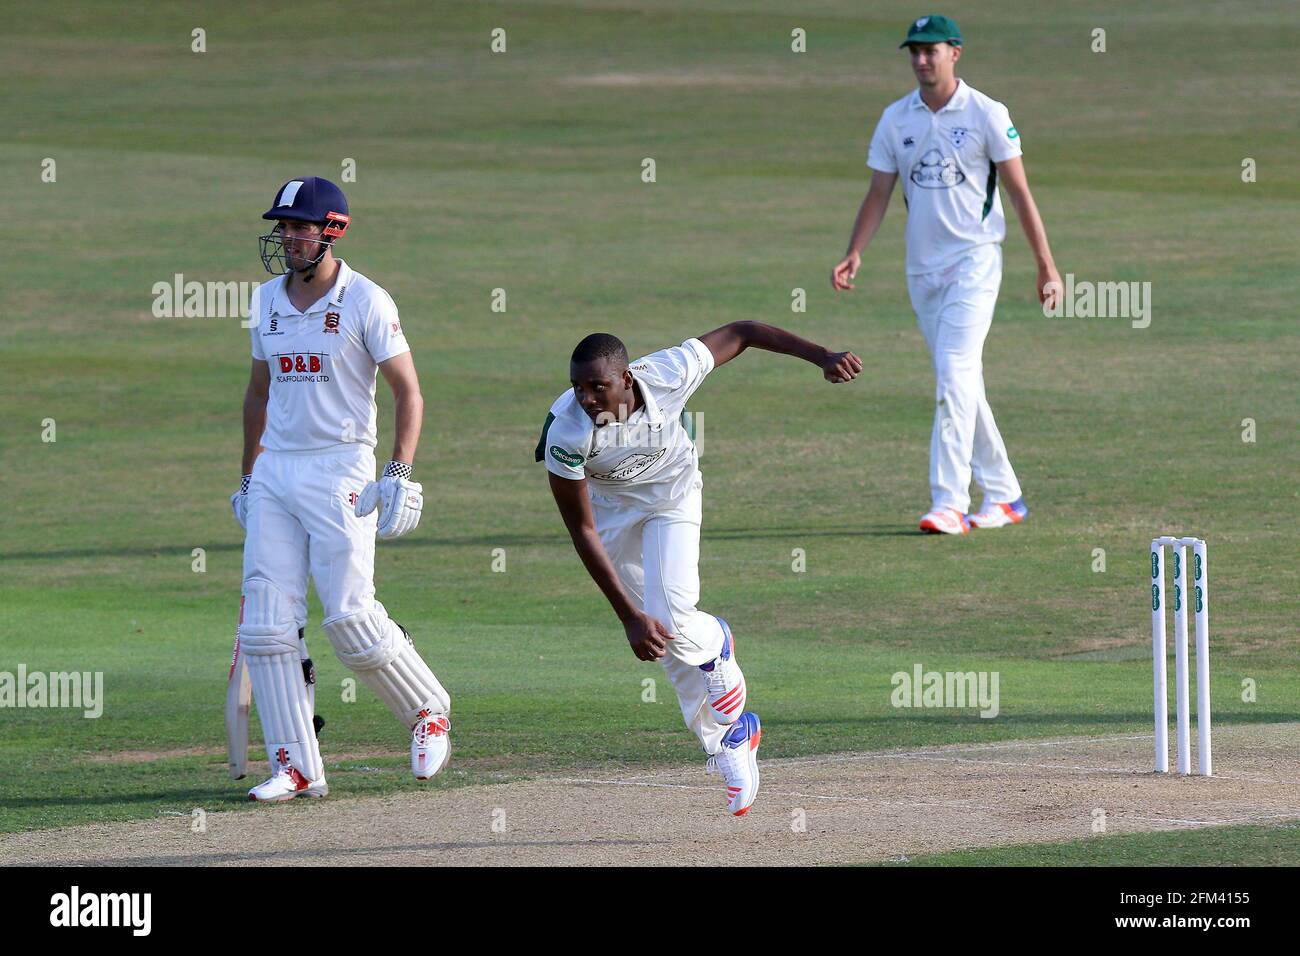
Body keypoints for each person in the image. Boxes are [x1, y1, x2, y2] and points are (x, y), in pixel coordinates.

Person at [536, 322, 861, 815]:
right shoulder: (567, 431)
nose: (585, 397)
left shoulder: (668, 373)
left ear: (626, 379)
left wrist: (821, 355)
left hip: (675, 500)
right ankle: (729, 739)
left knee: (673, 616)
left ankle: (718, 647)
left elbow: (743, 332)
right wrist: (628, 616)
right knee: (658, 636)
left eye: (597, 386)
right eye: (578, 387)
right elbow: (581, 530)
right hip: (613, 516)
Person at [230, 176, 451, 801]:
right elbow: (258, 391)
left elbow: (409, 391)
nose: (289, 238)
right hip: (277, 469)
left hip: (340, 467)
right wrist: (249, 475)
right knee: (267, 628)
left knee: (350, 619)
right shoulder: (267, 299)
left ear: (332, 230)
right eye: (284, 227)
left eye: (300, 227)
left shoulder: (367, 302)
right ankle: (296, 765)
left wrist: (398, 472)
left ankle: (429, 710)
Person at [831, 14, 1061, 534]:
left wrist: (1045, 265)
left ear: (955, 52)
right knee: (962, 382)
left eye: (930, 50)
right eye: (913, 51)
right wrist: (855, 251)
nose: (920, 59)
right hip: (922, 271)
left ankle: (948, 501)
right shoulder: (896, 118)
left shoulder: (986, 113)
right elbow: (879, 192)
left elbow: (1020, 192)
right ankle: (1005, 496)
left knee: (953, 372)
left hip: (976, 261)